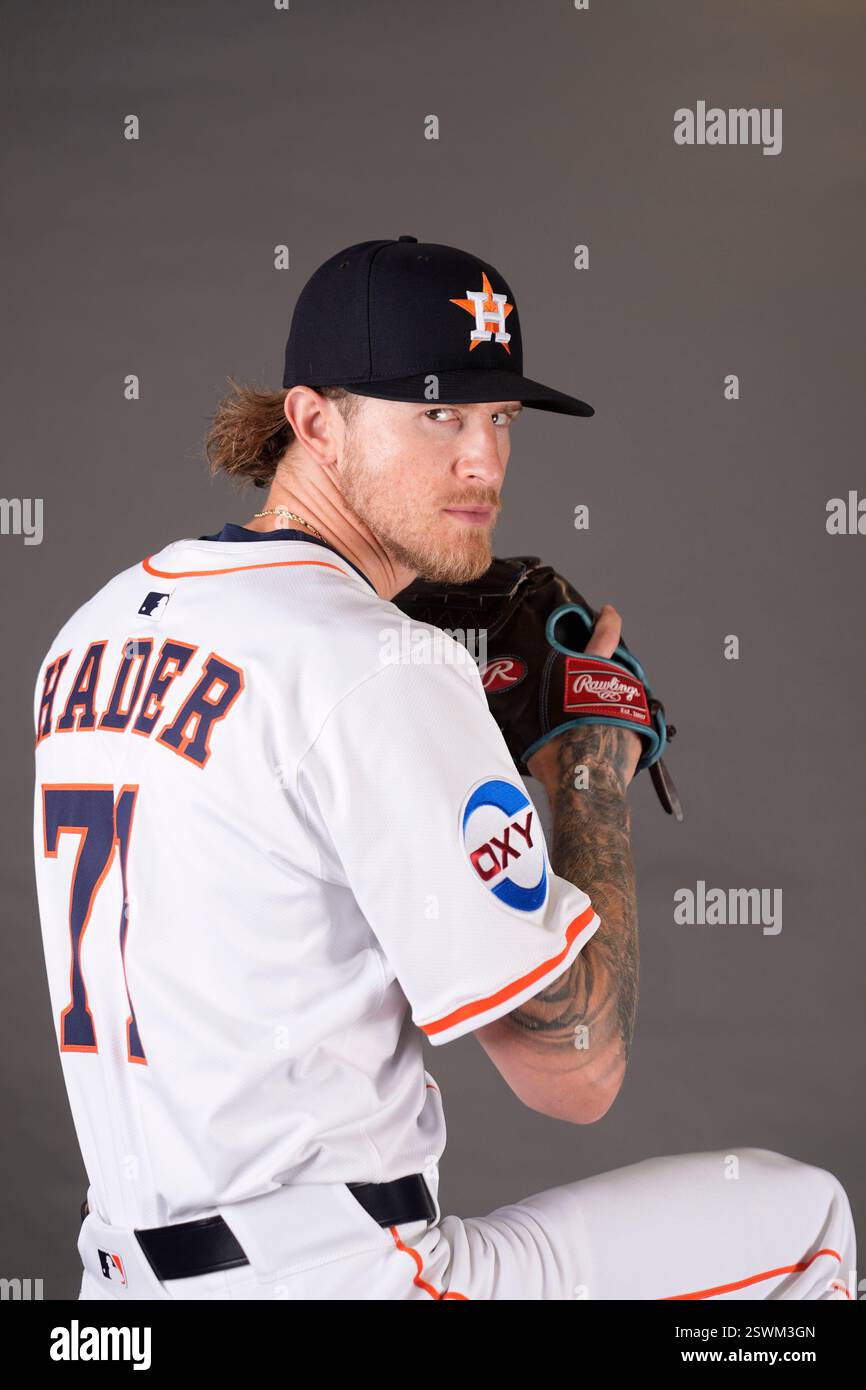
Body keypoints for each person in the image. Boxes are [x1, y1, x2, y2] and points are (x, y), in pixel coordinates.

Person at [32, 237, 856, 1299]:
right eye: (436, 414)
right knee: (802, 1221)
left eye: (497, 418)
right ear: (314, 421)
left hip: (125, 1295)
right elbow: (575, 1072)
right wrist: (584, 757)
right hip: (345, 1283)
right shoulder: (381, 665)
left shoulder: (87, 636)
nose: (483, 460)